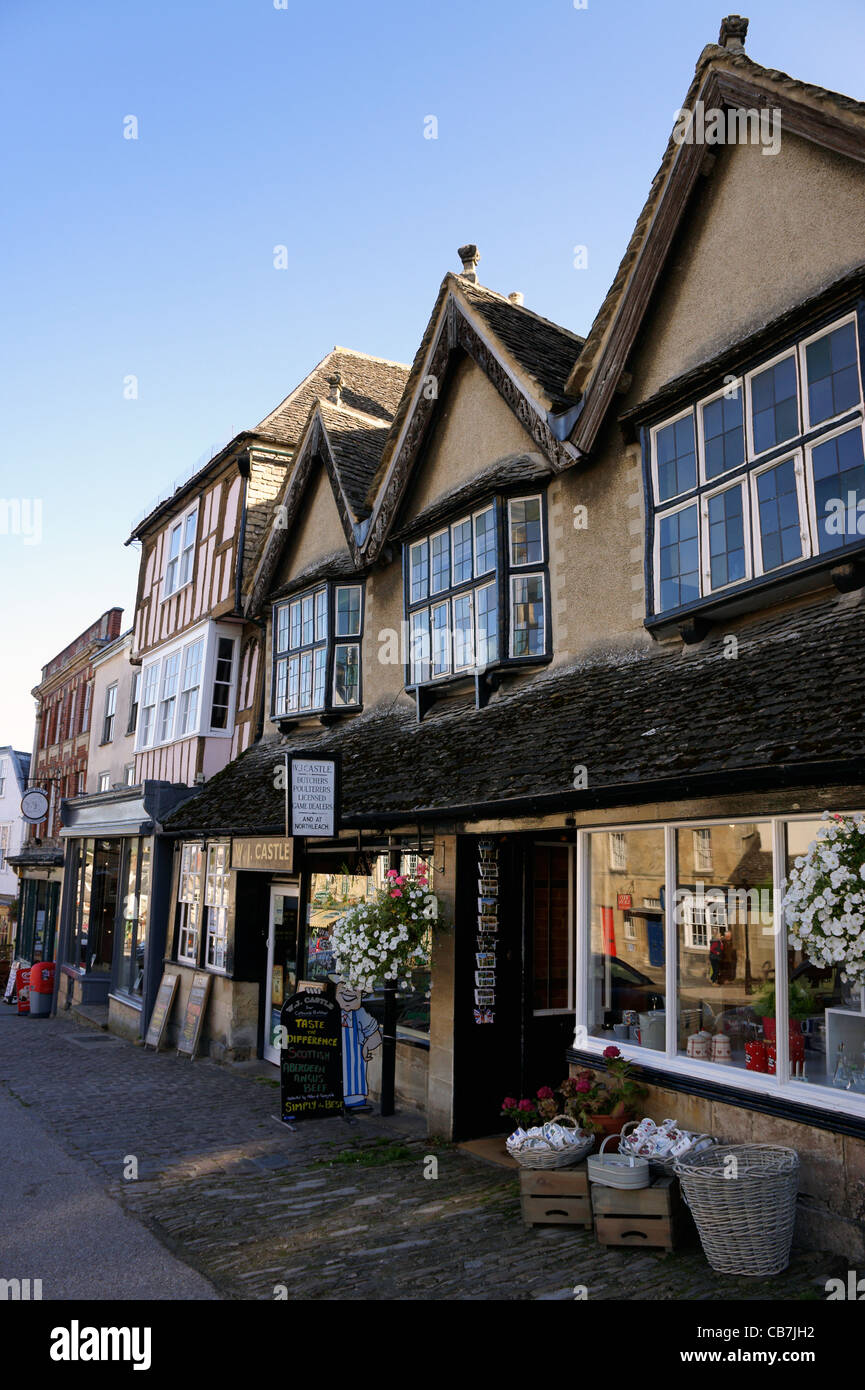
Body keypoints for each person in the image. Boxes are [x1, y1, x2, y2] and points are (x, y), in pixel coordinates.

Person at [329, 976, 383, 1111]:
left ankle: (352, 1104)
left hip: (354, 1080)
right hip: (332, 1071)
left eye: (354, 989)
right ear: (336, 992)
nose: (349, 992)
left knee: (353, 1096)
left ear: (361, 994)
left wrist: (366, 1047)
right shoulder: (330, 1011)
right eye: (345, 988)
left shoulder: (360, 1014)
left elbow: (376, 1037)